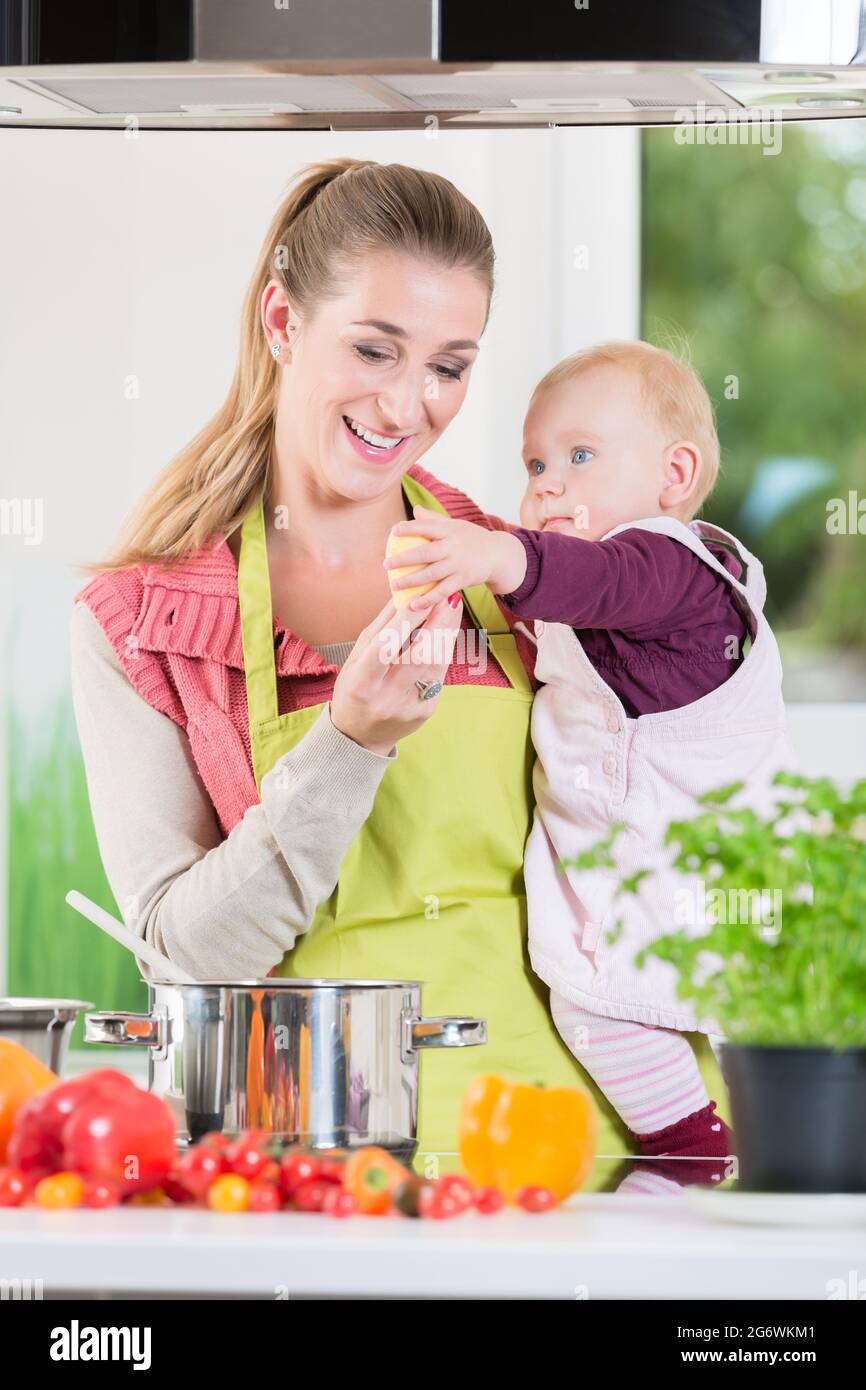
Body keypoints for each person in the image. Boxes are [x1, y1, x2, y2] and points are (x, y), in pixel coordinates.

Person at [70, 164, 729, 1176]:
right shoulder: (141, 622)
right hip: (322, 1174)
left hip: (591, 1161)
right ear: (283, 321)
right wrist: (345, 744)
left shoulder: (514, 567)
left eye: (448, 366)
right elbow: (186, 957)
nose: (407, 403)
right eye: (375, 349)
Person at [385, 340, 795, 1183]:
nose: (547, 484)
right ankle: (689, 1143)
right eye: (535, 462)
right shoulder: (584, 590)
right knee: (588, 1001)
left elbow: (600, 581)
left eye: (579, 456)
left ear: (673, 476)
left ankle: (746, 1154)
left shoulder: (675, 568)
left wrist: (500, 554)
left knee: (757, 1024)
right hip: (641, 872)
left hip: (704, 865)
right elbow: (566, 607)